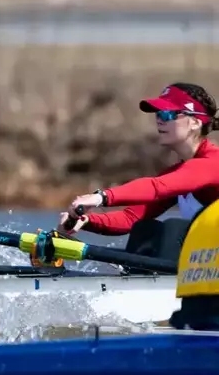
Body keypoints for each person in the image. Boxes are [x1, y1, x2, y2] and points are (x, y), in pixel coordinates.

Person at [59, 82, 219, 262]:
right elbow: (131, 217)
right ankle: (133, 282)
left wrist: (100, 197)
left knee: (174, 228)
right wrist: (87, 221)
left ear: (195, 122)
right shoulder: (180, 173)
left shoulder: (213, 163)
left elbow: (156, 187)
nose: (159, 119)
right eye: (158, 114)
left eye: (168, 114)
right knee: (145, 229)